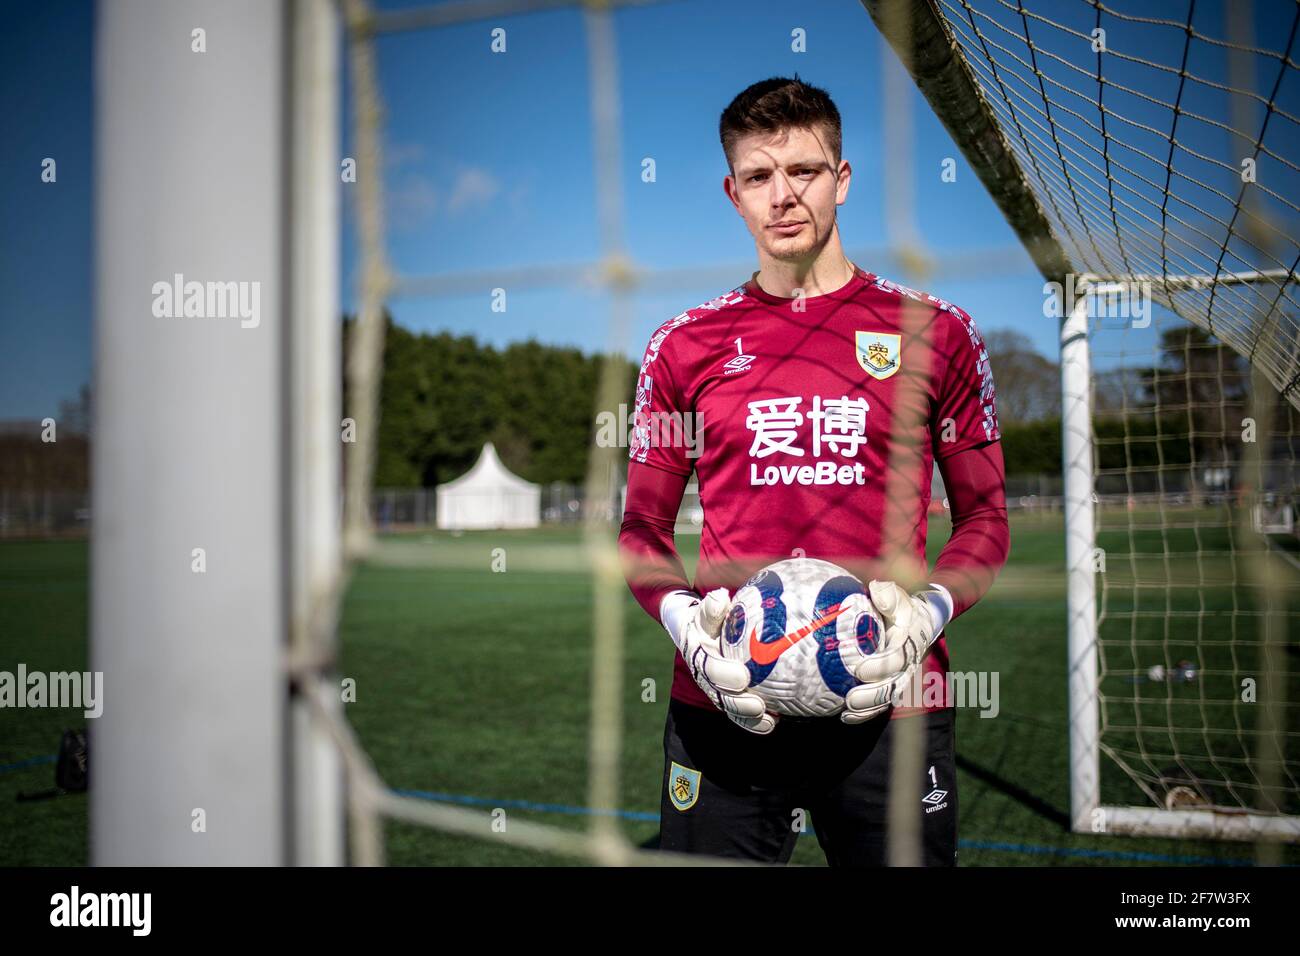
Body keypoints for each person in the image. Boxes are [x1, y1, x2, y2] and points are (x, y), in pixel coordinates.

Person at [617, 76, 1009, 865]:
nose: (783, 196)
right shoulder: (682, 346)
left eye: (804, 171)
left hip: (890, 700)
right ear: (734, 193)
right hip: (724, 705)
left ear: (843, 178)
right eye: (760, 177)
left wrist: (927, 614)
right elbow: (641, 528)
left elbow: (987, 518)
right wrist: (685, 628)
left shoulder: (939, 332)